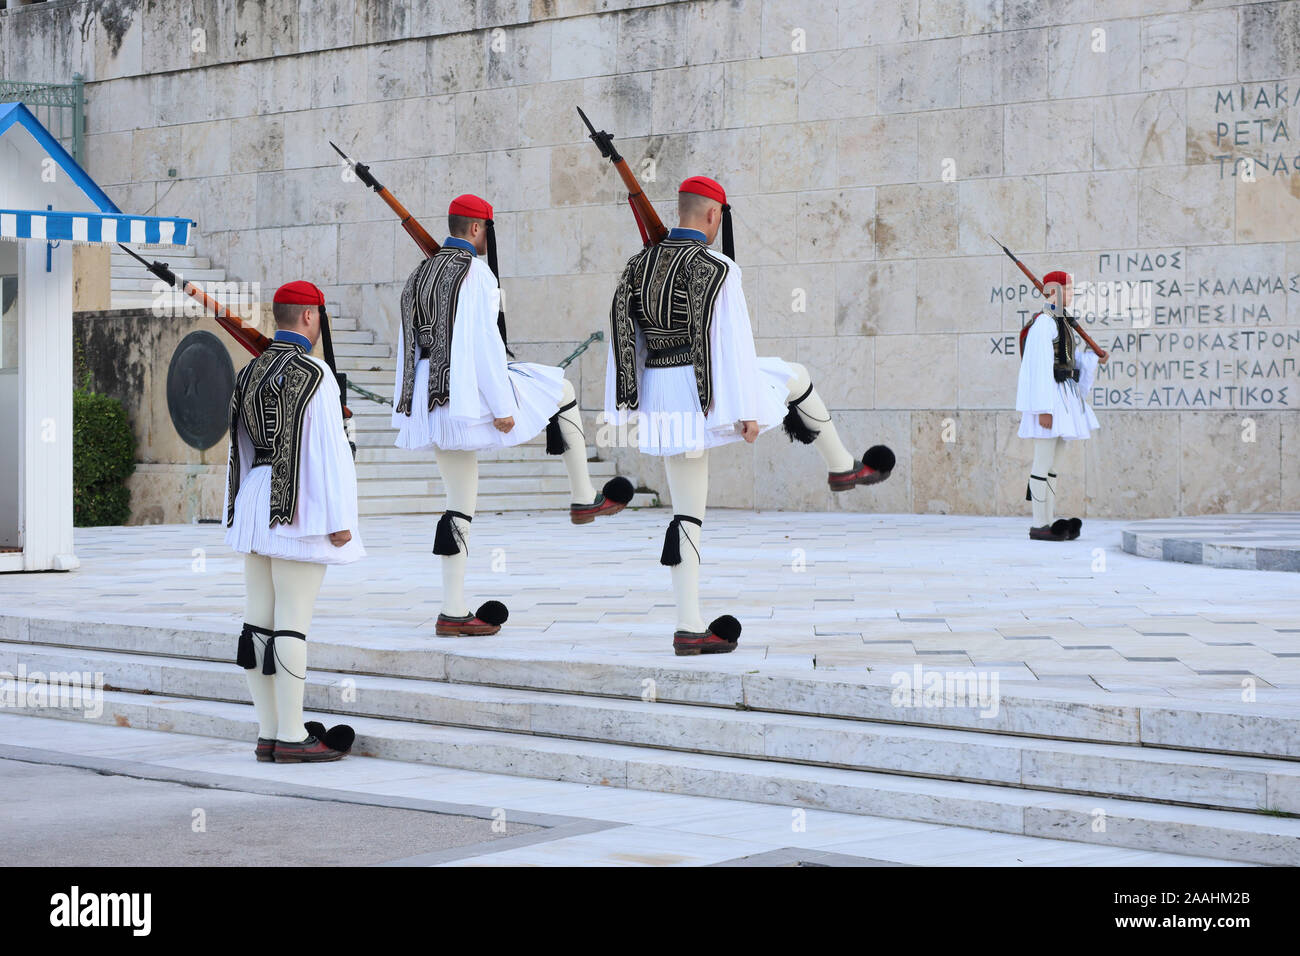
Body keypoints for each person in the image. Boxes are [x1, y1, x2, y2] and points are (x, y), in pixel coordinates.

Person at [607, 176, 894, 656]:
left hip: (661, 392)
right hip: (711, 389)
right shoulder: (716, 267)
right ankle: (841, 466)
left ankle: (688, 625)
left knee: (686, 511)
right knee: (796, 376)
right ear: (714, 216)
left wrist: (631, 404)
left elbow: (624, 336)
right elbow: (735, 344)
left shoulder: (637, 266)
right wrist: (746, 412)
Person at [392, 194, 632, 636]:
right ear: (478, 229)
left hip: (428, 402)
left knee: (458, 506)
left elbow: (410, 343)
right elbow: (484, 345)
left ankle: (452, 610)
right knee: (561, 389)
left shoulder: (418, 275)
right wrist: (502, 407)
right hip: (469, 398)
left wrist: (409, 407)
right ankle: (583, 497)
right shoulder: (475, 273)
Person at [225, 280, 363, 762]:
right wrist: (340, 517)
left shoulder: (249, 371)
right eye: (319, 317)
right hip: (299, 504)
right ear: (308, 317)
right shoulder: (315, 373)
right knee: (291, 626)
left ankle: (268, 733)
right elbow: (325, 452)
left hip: (256, 496)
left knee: (256, 624)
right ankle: (292, 736)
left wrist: (241, 508)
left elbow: (239, 448)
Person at [1015, 270, 1101, 541]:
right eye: (1069, 289)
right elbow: (1038, 368)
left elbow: (1069, 359)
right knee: (1042, 462)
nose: (1073, 293)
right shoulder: (1043, 324)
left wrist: (1093, 358)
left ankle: (1050, 520)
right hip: (1049, 398)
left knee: (1054, 465)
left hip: (1064, 397)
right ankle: (1039, 523)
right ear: (1055, 290)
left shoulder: (1061, 322)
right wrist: (1043, 409)